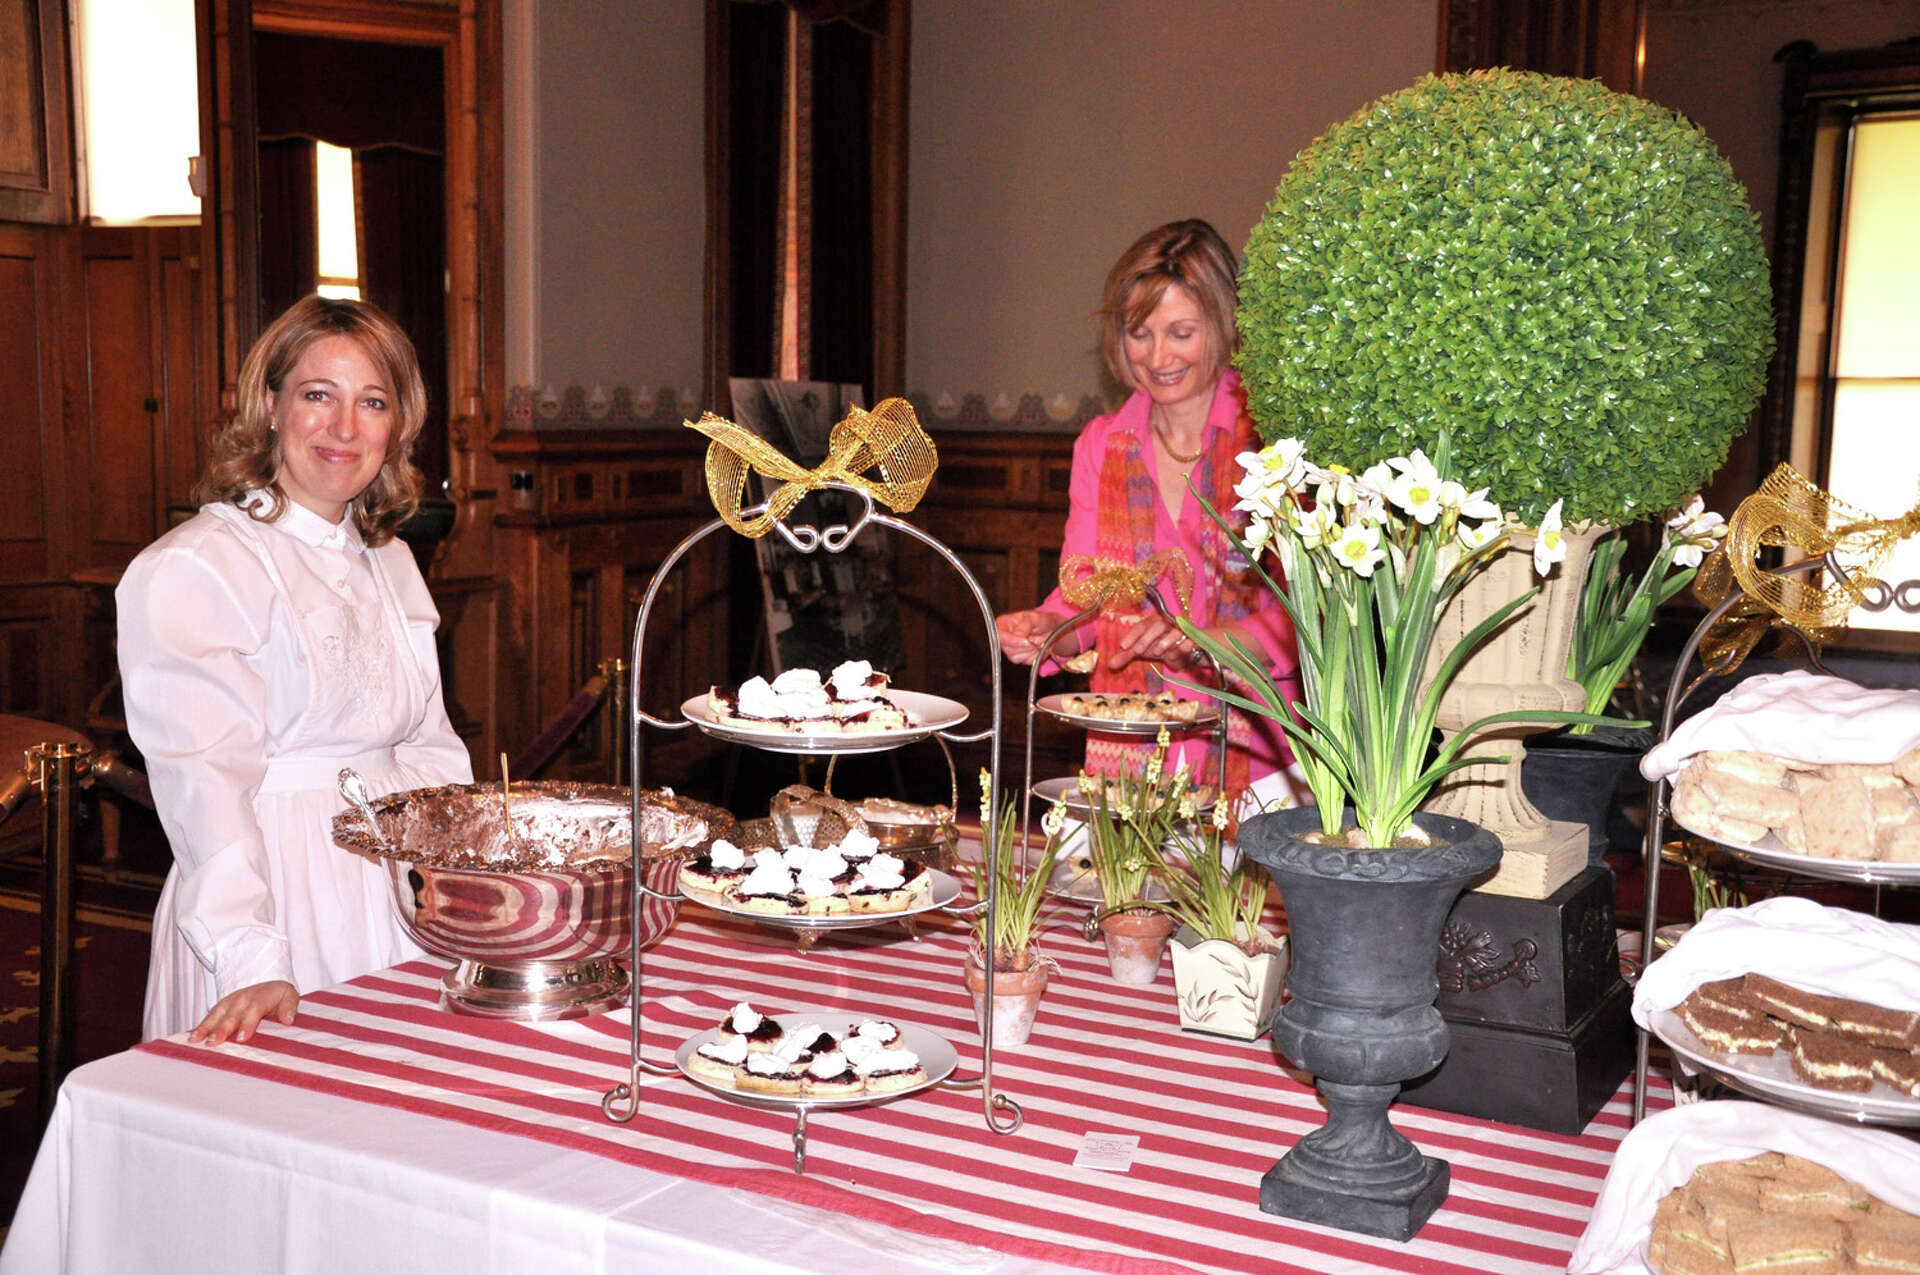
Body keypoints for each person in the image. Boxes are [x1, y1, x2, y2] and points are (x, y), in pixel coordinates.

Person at [119, 295, 473, 1047]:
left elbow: (430, 745)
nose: (345, 427)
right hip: (274, 890)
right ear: (272, 405)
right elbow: (202, 787)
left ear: (396, 427)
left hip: (396, 886)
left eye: (371, 402)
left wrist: (454, 879)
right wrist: (248, 954)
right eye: (319, 395)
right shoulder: (198, 567)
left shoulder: (390, 558)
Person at [994, 219, 1300, 800]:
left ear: (1225, 327)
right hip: (1129, 756)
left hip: (1263, 759)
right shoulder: (1101, 445)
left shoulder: (1272, 441)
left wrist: (1202, 640)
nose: (1158, 357)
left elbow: (1308, 615)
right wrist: (1047, 632)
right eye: (1140, 333)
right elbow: (1085, 596)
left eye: (1181, 332)